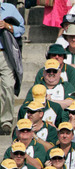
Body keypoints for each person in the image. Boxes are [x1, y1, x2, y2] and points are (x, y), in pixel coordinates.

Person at [0, 0, 25, 136]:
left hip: (5, 52)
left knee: (8, 85)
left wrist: (7, 26)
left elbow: (21, 29)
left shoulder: (10, 8)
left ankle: (6, 121)